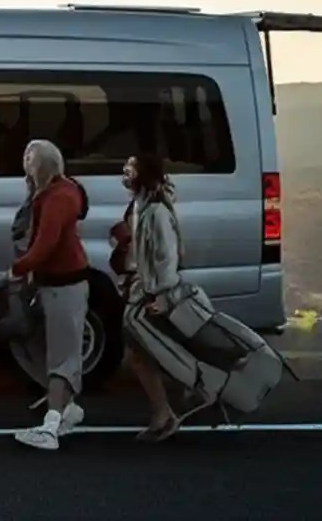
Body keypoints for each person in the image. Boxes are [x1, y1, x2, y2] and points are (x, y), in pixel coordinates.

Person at [9, 139, 92, 451]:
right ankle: (67, 409)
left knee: (62, 356)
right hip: (53, 283)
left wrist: (18, 268)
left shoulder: (58, 197)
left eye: (30, 162)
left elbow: (46, 243)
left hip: (64, 285)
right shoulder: (51, 192)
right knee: (41, 347)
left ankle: (51, 426)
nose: (26, 167)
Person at [120, 153, 184, 442]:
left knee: (141, 354)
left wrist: (161, 295)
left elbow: (167, 258)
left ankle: (165, 414)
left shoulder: (156, 212)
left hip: (150, 294)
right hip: (141, 290)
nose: (125, 172)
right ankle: (164, 413)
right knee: (142, 354)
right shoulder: (140, 206)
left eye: (131, 168)